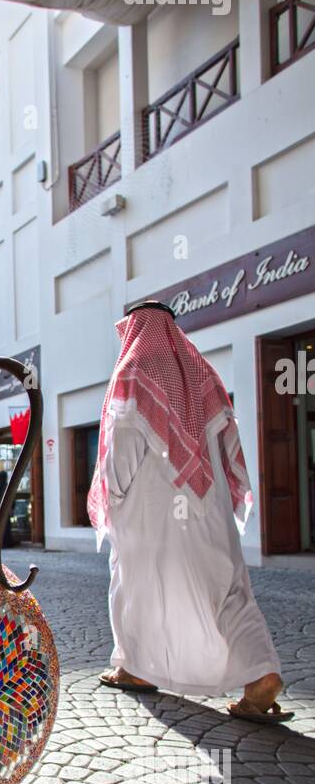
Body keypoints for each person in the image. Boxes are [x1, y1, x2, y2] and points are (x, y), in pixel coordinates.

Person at [89, 301, 291, 723]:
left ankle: (134, 667)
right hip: (208, 508)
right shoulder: (202, 373)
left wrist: (114, 500)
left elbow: (121, 453)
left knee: (137, 588)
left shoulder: (131, 372)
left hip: (150, 516)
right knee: (229, 591)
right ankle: (261, 676)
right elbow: (230, 446)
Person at [0, 470, 13, 548]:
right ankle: (7, 543)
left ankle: (0, 543)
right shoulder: (6, 486)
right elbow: (9, 498)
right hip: (5, 509)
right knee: (6, 526)